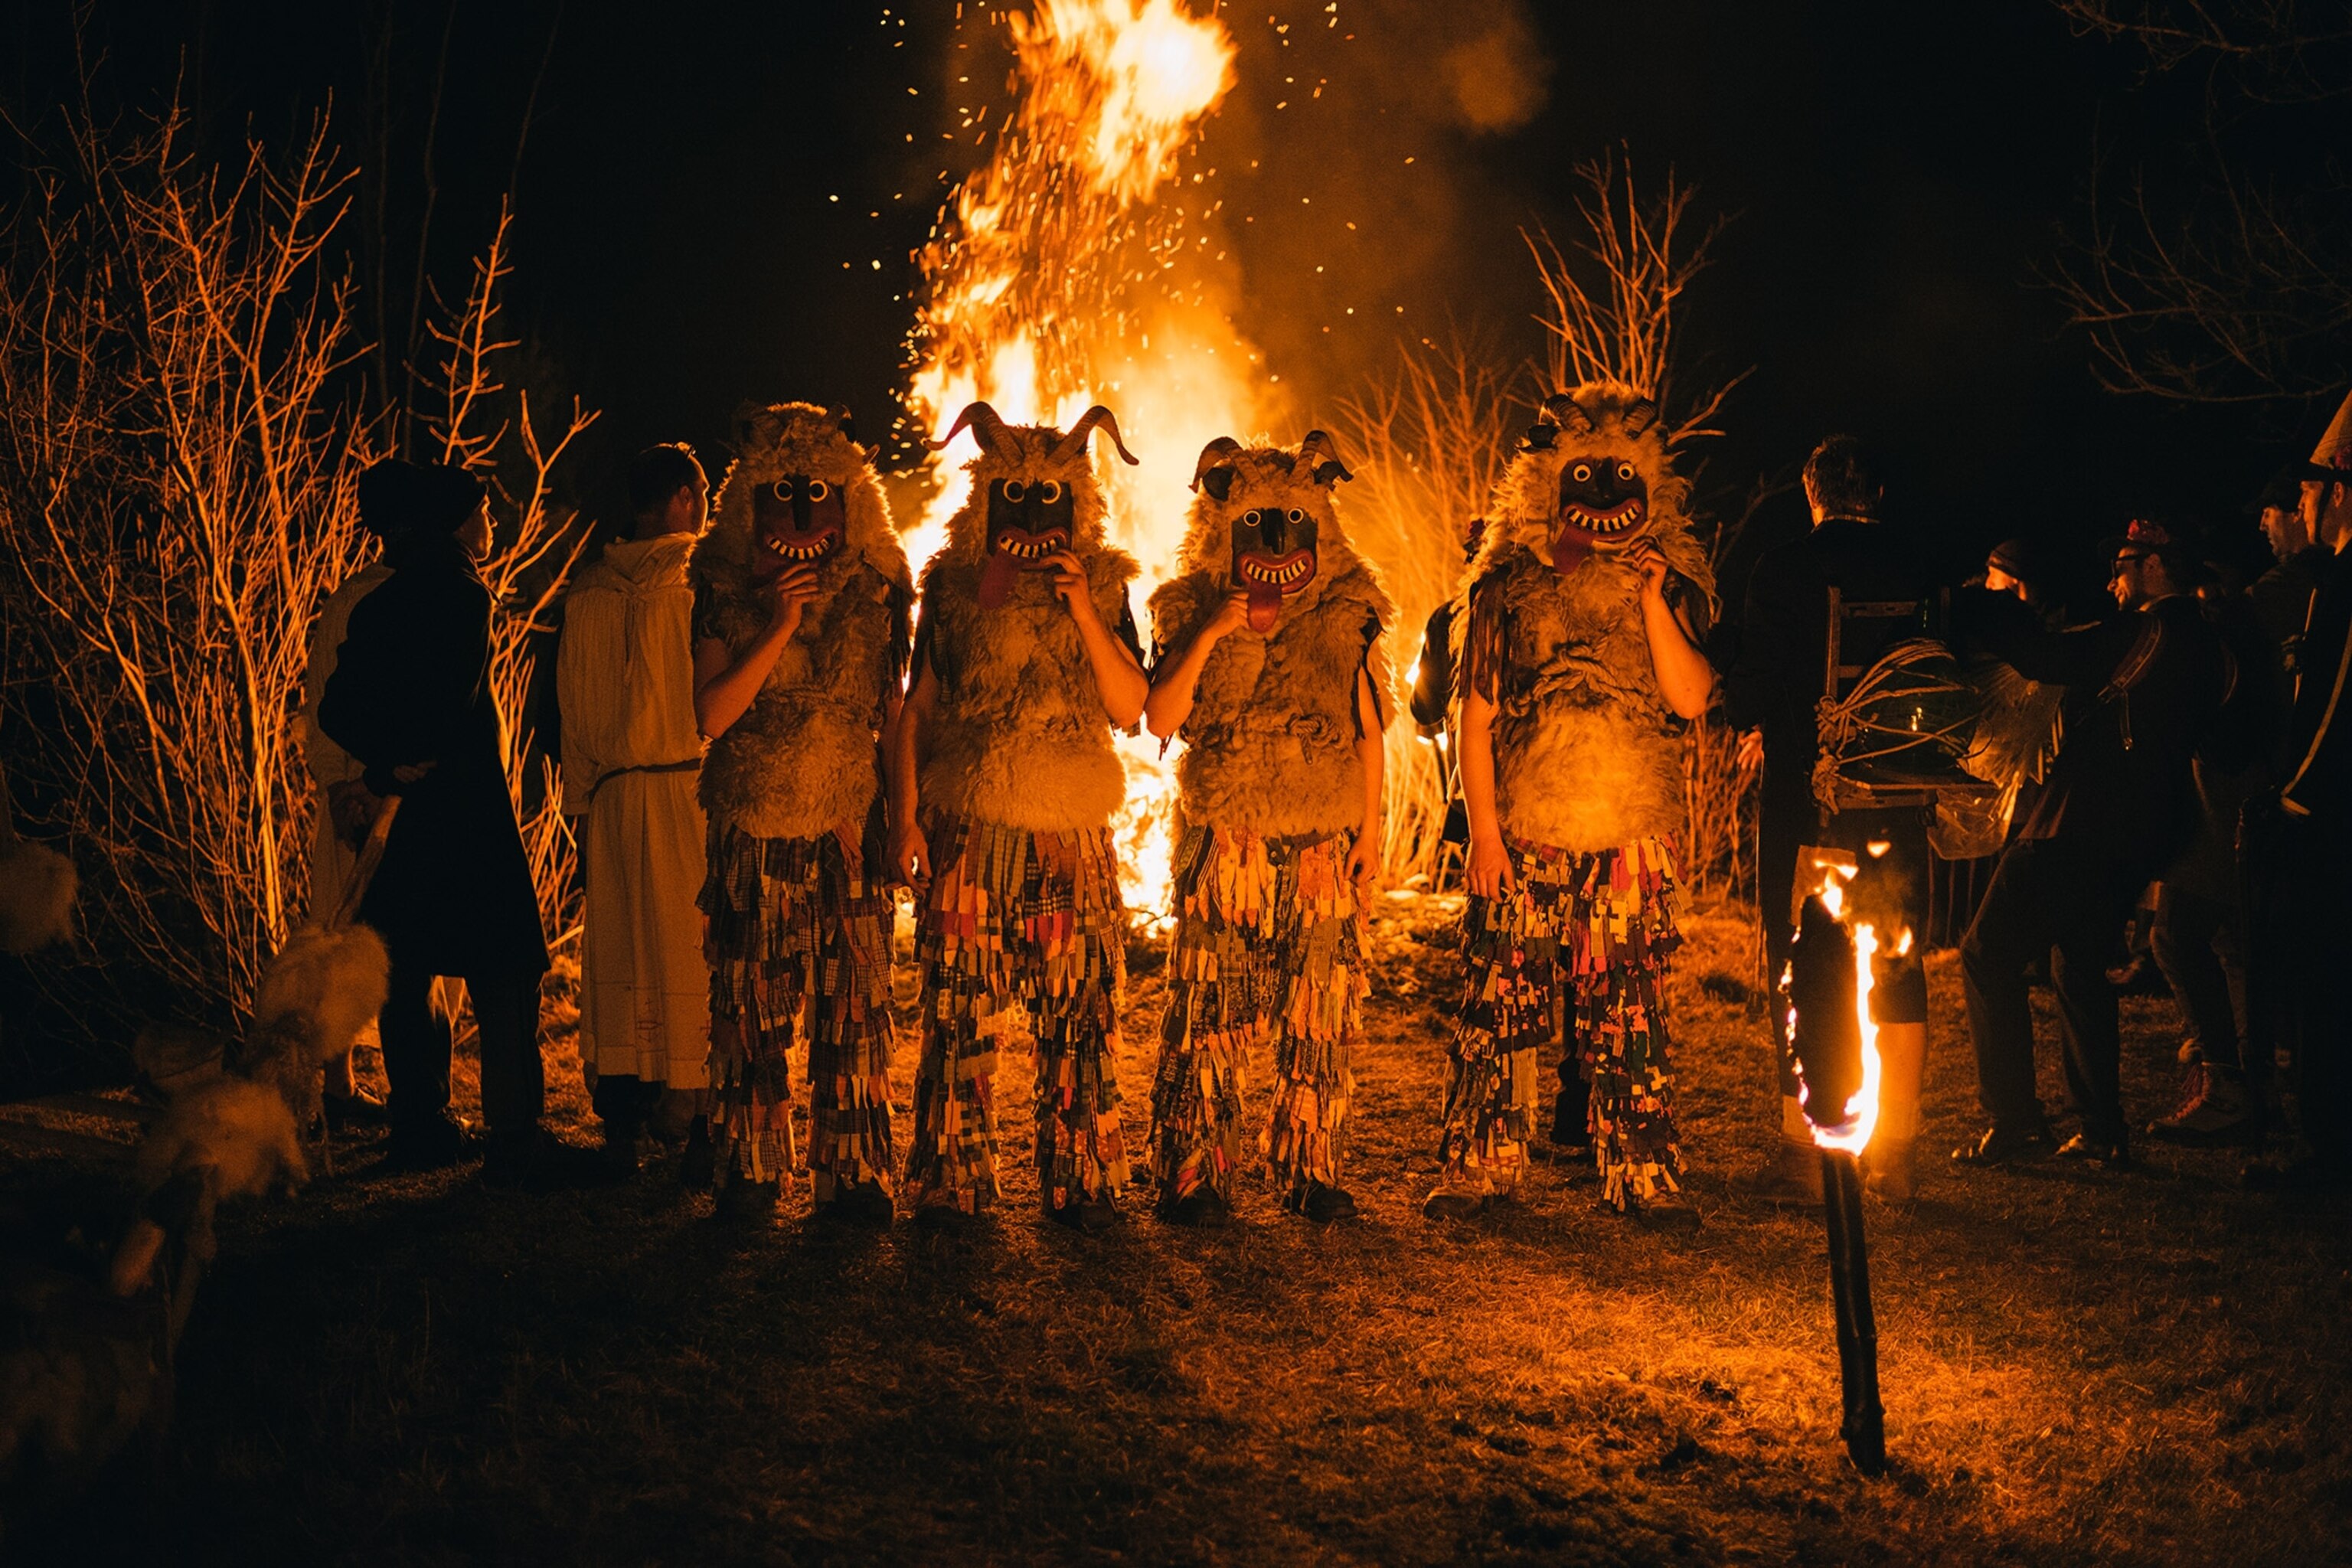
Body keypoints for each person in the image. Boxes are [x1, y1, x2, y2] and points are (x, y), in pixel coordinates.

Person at [1427, 382, 1716, 1227]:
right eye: (1583, 473)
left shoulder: (1666, 585)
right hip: (1527, 832)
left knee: (1629, 1011)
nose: (1601, 493)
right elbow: (1472, 719)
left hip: (1626, 835)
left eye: (1618, 474)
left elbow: (1693, 698)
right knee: (1499, 1003)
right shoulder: (1503, 590)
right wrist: (1484, 837)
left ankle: (1643, 1173)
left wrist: (1655, 597)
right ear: (1549, 480)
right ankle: (1481, 1168)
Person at [892, 403, 1150, 1232]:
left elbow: (1132, 709)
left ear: (1077, 504)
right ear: (986, 498)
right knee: (960, 1009)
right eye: (1016, 499)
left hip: (1068, 828)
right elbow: (919, 708)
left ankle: (1083, 1179)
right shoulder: (953, 587)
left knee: (1078, 1011)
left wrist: (1081, 608)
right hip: (972, 823)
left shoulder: (1108, 584)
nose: (1033, 520)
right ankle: (953, 1183)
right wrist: (905, 818)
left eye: (1051, 503)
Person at [1140, 432, 1394, 1227]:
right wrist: (1215, 630)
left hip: (1320, 834)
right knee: (1211, 1006)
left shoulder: (1349, 610)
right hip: (1230, 839)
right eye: (1257, 524)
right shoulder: (1185, 604)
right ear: (1221, 519)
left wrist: (1370, 830)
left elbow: (1369, 727)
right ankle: (1195, 1170)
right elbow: (1160, 716)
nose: (1278, 544)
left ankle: (1309, 1168)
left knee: (1318, 1008)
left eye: (1293, 523)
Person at [1952, 520, 2230, 1173]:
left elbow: (2051, 658)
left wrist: (1980, 607)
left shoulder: (2153, 629)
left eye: (2125, 564)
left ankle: (2015, 1121)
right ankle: (2102, 1130)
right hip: (2136, 827)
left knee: (1985, 953)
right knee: (2078, 964)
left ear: (2157, 565)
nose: (2113, 579)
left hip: (2079, 823)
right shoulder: (2200, 637)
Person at [689, 404, 910, 1223]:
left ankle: (851, 1173)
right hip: (758, 818)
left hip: (848, 820)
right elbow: (711, 715)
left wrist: (903, 817)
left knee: (854, 1001)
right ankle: (751, 1170)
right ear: (752, 499)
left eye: (818, 493)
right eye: (783, 493)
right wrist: (781, 623)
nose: (802, 512)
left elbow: (891, 711)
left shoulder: (880, 589)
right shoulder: (719, 588)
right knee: (752, 1003)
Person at [318, 460, 556, 1182]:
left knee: (408, 966)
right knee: (507, 964)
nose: (490, 526)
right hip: (466, 809)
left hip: (407, 815)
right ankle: (514, 1137)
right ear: (457, 521)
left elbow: (336, 708)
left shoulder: (378, 602)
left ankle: (420, 1124)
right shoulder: (461, 593)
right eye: (483, 513)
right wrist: (410, 754)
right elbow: (450, 698)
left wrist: (384, 767)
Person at [1720, 436, 1934, 1201]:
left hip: (1809, 811)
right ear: (1875, 495)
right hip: (1900, 807)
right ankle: (1899, 1150)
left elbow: (1746, 695)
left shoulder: (1784, 569)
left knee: (1804, 964)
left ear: (1811, 495)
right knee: (1899, 967)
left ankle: (1804, 1148)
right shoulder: (1918, 566)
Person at [557, 443, 713, 1177]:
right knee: (688, 946)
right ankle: (693, 1105)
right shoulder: (699, 577)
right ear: (683, 498)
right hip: (686, 787)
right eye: (702, 495)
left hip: (613, 795)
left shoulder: (588, 586)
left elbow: (571, 709)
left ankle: (624, 1108)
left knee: (622, 947)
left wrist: (583, 801)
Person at [2246, 390, 2352, 1190]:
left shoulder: (2345, 580)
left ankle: (2324, 1146)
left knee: (2324, 977)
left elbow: (2337, 699)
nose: (2302, 503)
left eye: (2311, 490)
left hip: (2330, 816)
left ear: (2339, 492)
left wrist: (2296, 791)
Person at [300, 551, 393, 1131]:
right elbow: (323, 699)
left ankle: (358, 1084)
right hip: (365, 787)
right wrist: (338, 784)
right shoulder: (360, 599)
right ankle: (338, 1084)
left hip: (391, 786)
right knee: (344, 928)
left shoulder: (429, 588)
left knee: (373, 936)